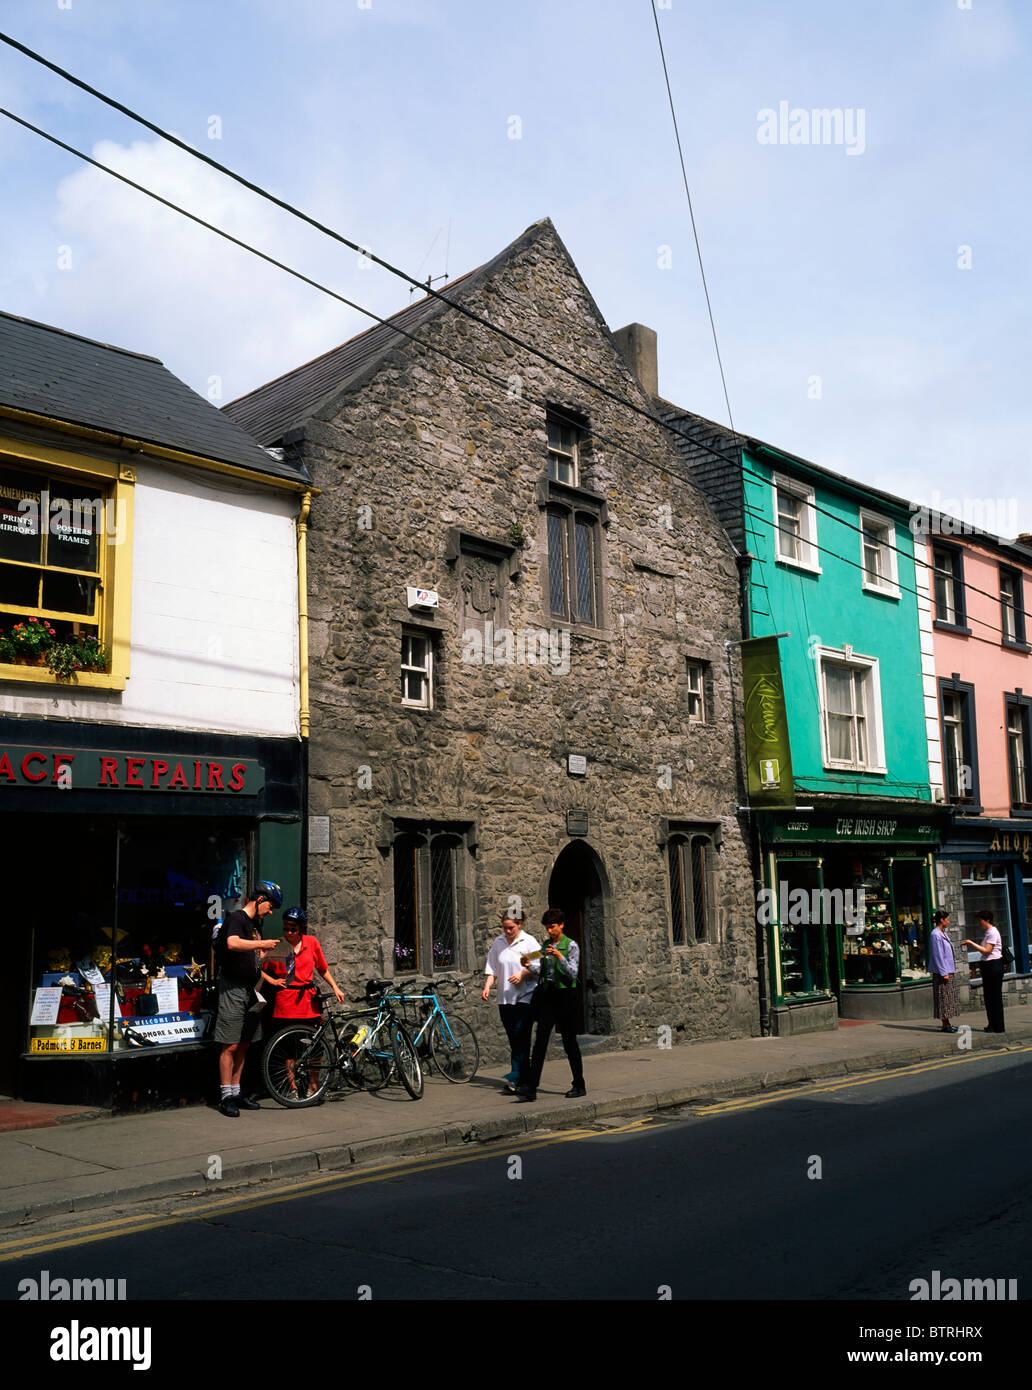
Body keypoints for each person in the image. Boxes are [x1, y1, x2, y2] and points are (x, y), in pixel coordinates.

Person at [213, 881, 283, 1117]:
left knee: (244, 1043)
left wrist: (265, 955)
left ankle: (237, 1091)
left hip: (251, 988)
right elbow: (232, 943)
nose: (271, 912)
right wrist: (261, 943)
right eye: (271, 906)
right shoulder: (237, 918)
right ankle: (226, 1097)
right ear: (261, 900)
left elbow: (251, 957)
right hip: (233, 988)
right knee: (230, 1044)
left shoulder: (253, 925)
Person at [261, 907, 346, 1095]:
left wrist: (335, 987)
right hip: (286, 1003)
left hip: (308, 1002)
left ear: (301, 928)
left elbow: (323, 969)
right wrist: (273, 981)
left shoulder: (312, 943)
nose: (289, 932)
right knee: (288, 1048)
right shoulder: (278, 946)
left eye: (293, 929)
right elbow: (260, 968)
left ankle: (313, 1084)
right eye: (286, 929)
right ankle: (292, 1086)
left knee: (314, 1046)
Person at [517, 907, 585, 1102]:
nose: (549, 931)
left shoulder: (570, 946)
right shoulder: (546, 945)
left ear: (561, 925)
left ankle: (579, 1084)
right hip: (548, 995)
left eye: (552, 927)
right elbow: (541, 968)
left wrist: (559, 957)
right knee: (540, 1041)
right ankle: (531, 1087)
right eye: (547, 927)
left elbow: (572, 973)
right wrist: (529, 964)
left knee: (569, 1041)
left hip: (566, 995)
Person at [482, 909, 540, 1095]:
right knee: (514, 1039)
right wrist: (487, 986)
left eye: (511, 928)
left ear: (520, 925)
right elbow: (492, 968)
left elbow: (539, 966)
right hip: (504, 998)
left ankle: (518, 1077)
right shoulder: (498, 943)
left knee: (520, 1036)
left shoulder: (529, 942)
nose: (507, 931)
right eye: (504, 928)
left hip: (525, 997)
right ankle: (523, 1078)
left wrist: (523, 973)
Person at [962, 910, 1006, 1034]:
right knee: (989, 997)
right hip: (988, 966)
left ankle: (998, 1026)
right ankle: (992, 1025)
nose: (979, 923)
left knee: (995, 997)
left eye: (980, 920)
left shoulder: (993, 932)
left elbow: (987, 950)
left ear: (987, 920)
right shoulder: (988, 932)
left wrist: (971, 943)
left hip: (993, 966)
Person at [928, 909, 959, 1034]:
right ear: (941, 920)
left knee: (948, 998)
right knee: (943, 998)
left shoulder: (942, 933)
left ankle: (947, 1023)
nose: (948, 922)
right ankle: (945, 1025)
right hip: (943, 972)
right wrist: (944, 972)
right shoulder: (935, 934)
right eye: (947, 919)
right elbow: (938, 955)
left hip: (948, 970)